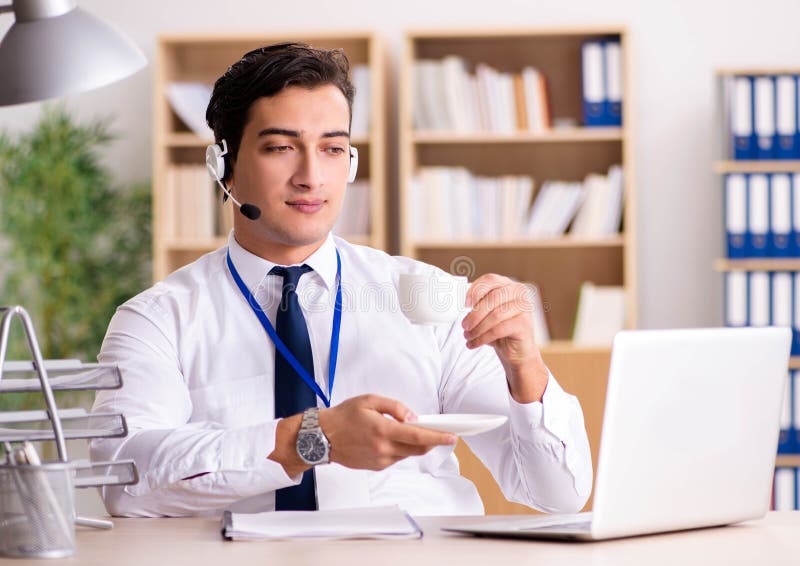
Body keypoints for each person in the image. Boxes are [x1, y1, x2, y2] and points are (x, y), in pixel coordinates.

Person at [91, 42, 592, 517]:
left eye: (333, 149)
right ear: (224, 165)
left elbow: (560, 494)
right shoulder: (157, 319)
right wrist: (311, 438)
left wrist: (527, 370)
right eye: (282, 147)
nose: (311, 176)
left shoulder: (423, 295)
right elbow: (124, 478)